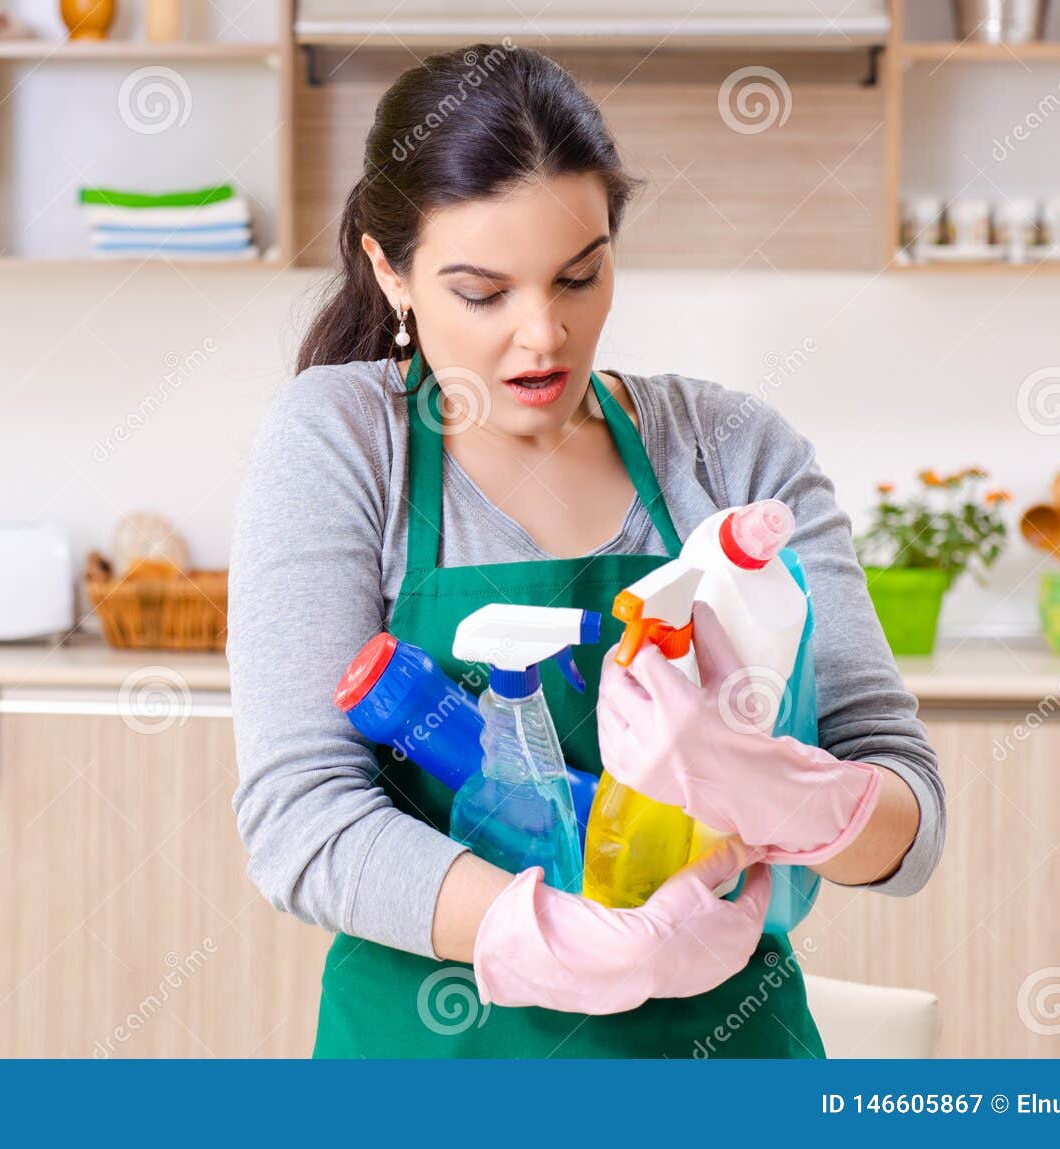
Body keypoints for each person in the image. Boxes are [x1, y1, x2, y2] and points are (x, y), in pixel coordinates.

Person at [227, 43, 943, 1058]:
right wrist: (561, 938)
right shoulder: (345, 440)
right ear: (390, 271)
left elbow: (908, 830)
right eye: (482, 292)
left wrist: (800, 797)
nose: (543, 335)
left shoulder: (732, 453)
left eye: (580, 276)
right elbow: (301, 820)